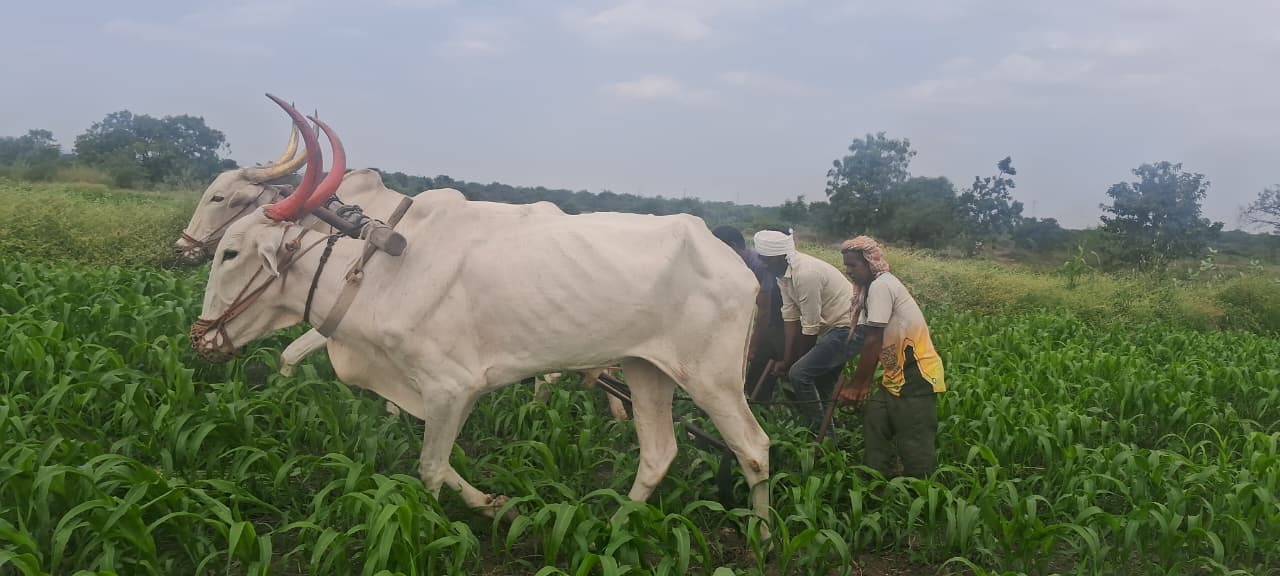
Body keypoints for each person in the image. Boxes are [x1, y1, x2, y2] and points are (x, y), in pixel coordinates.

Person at [835, 236, 945, 478]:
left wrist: (858, 386)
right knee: (875, 421)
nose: (848, 271)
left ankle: (923, 497)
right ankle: (875, 483)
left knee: (914, 440)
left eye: (853, 265)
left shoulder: (882, 285)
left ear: (870, 263)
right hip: (894, 375)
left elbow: (873, 338)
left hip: (915, 373)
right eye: (847, 265)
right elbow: (866, 338)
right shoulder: (869, 289)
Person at [752, 229, 856, 431]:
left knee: (800, 374)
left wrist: (793, 364)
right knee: (821, 384)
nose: (763, 265)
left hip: (849, 328)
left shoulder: (806, 273)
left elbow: (810, 326)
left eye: (768, 260)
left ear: (783, 256)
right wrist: (787, 360)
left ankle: (819, 434)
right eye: (761, 259)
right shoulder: (781, 274)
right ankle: (831, 438)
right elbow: (790, 319)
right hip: (833, 329)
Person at [711, 225, 777, 392]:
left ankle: (758, 404)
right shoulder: (734, 266)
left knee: (761, 362)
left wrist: (753, 346)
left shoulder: (760, 265)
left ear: (732, 247)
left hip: (781, 317)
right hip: (764, 317)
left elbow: (764, 312)